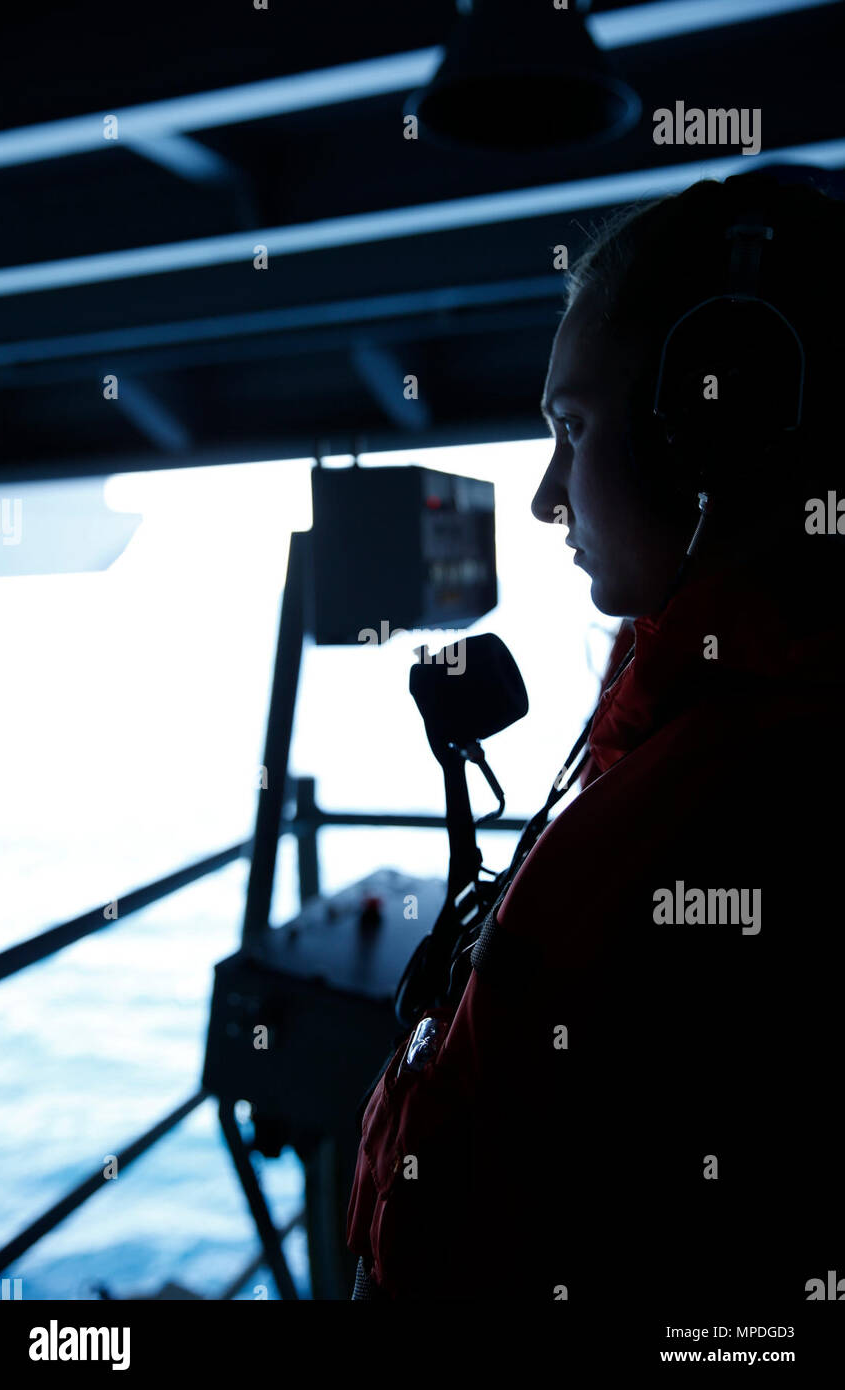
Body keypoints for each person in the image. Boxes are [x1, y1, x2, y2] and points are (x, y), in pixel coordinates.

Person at [346, 167, 845, 1306]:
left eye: (571, 427)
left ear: (721, 419)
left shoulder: (759, 794)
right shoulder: (693, 714)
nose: (542, 495)